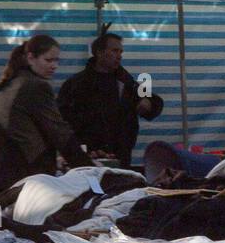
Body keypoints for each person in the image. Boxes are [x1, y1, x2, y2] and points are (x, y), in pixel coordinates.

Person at [0, 34, 90, 200]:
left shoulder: (11, 82)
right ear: (31, 58)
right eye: (48, 60)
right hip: (22, 176)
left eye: (57, 60)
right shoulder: (35, 86)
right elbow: (59, 132)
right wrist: (87, 169)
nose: (54, 66)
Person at [56, 28, 164, 168]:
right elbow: (63, 122)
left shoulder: (125, 81)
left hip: (121, 157)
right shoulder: (75, 85)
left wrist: (148, 102)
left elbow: (155, 102)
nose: (119, 56)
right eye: (114, 51)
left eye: (121, 52)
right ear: (99, 52)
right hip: (88, 158)